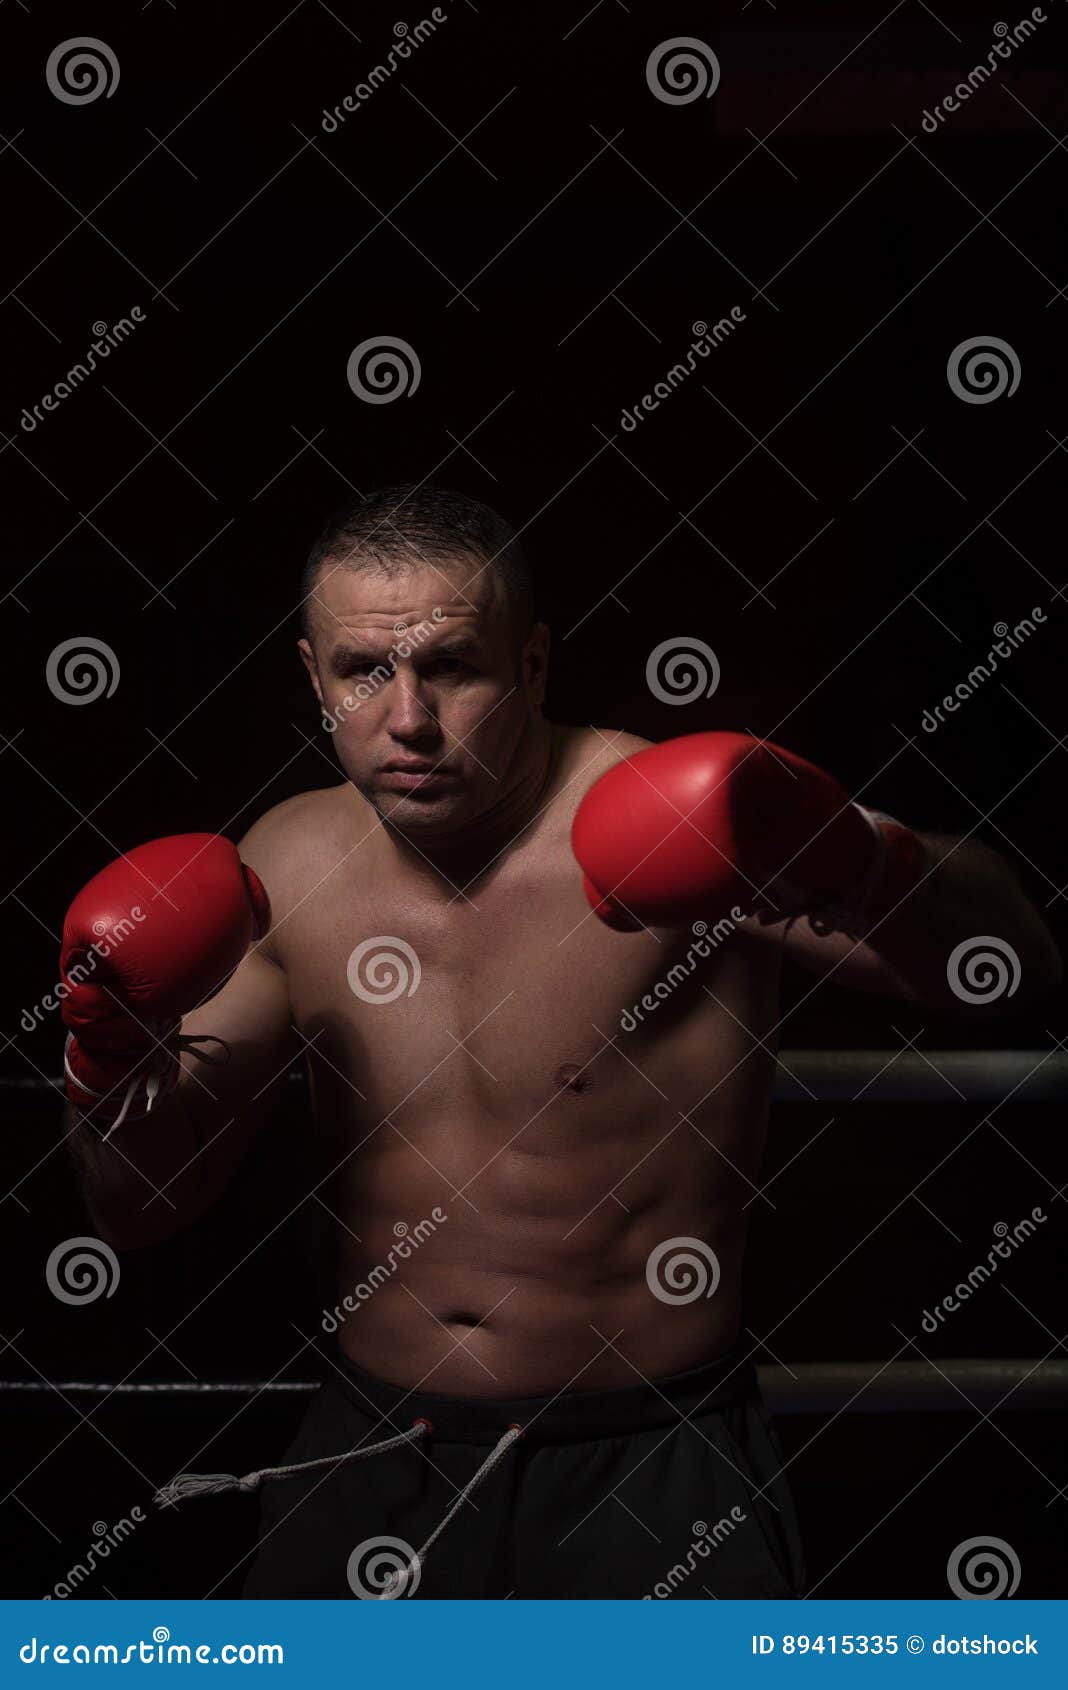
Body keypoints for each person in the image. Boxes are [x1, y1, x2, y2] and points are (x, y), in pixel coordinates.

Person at [62, 485, 1061, 1599]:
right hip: (378, 1446)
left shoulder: (680, 815)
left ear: (533, 665)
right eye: (364, 672)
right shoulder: (287, 864)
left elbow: (1008, 970)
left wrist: (857, 852)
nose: (409, 720)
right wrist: (103, 1054)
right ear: (313, 678)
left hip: (650, 1460)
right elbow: (136, 1204)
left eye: (452, 666)